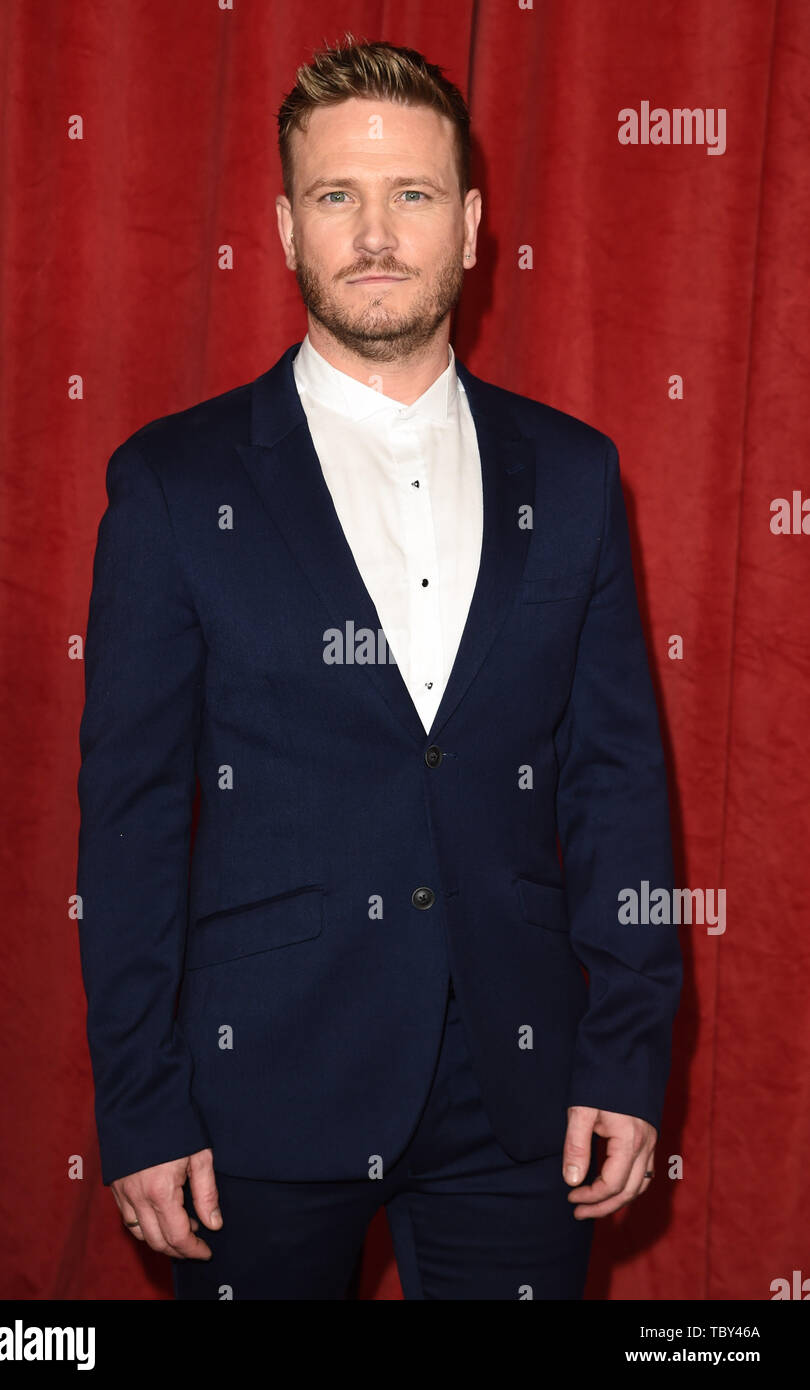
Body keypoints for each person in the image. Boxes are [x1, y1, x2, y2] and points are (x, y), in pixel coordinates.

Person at [76, 35, 682, 1301]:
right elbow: (126, 822)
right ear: (284, 226)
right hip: (255, 1095)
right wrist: (140, 1103)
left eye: (409, 194)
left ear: (466, 225)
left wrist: (625, 1055)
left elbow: (617, 786)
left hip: (516, 1104)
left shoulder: (571, 476)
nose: (373, 231)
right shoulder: (174, 484)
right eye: (334, 196)